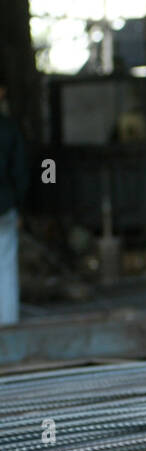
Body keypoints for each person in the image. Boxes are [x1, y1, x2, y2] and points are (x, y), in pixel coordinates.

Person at [0, 73, 27, 327]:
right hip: (4, 206)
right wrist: (19, 206)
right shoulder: (8, 129)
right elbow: (20, 172)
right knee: (6, 268)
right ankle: (8, 328)